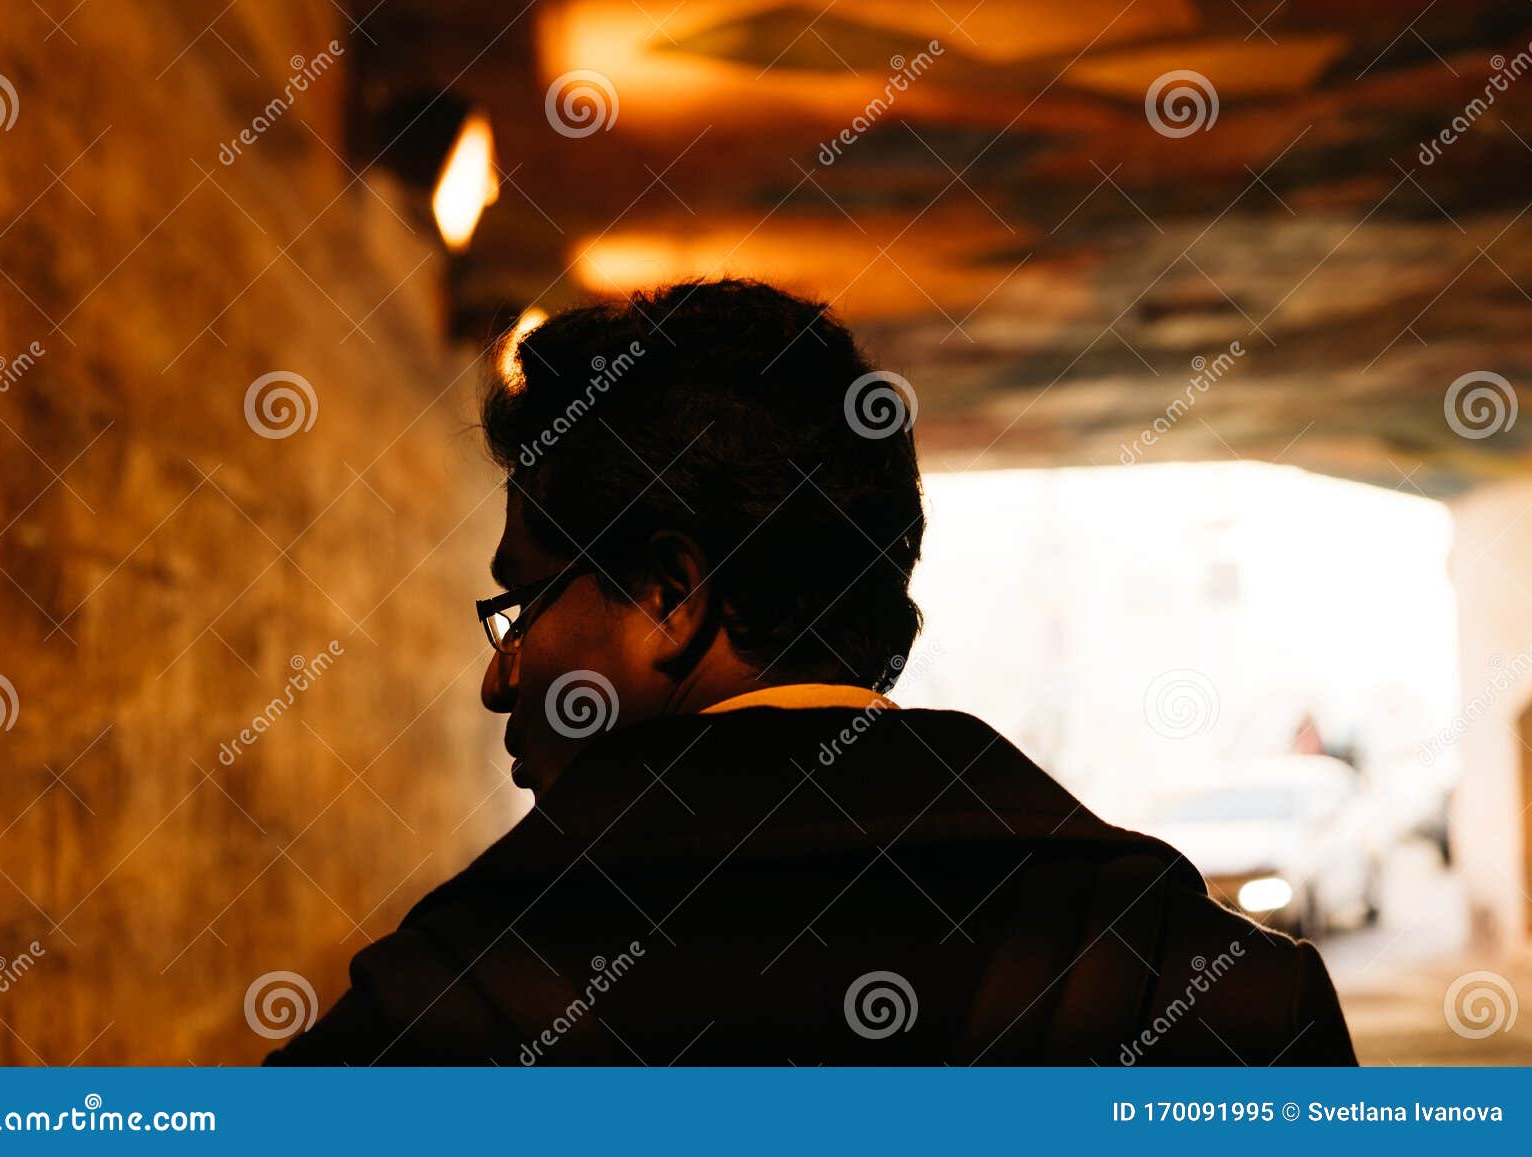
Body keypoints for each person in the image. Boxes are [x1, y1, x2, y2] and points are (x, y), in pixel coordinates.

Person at [265, 279, 1356, 1066]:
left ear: (669, 595)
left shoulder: (433, 1022)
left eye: (526, 601)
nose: (501, 675)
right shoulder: (1215, 992)